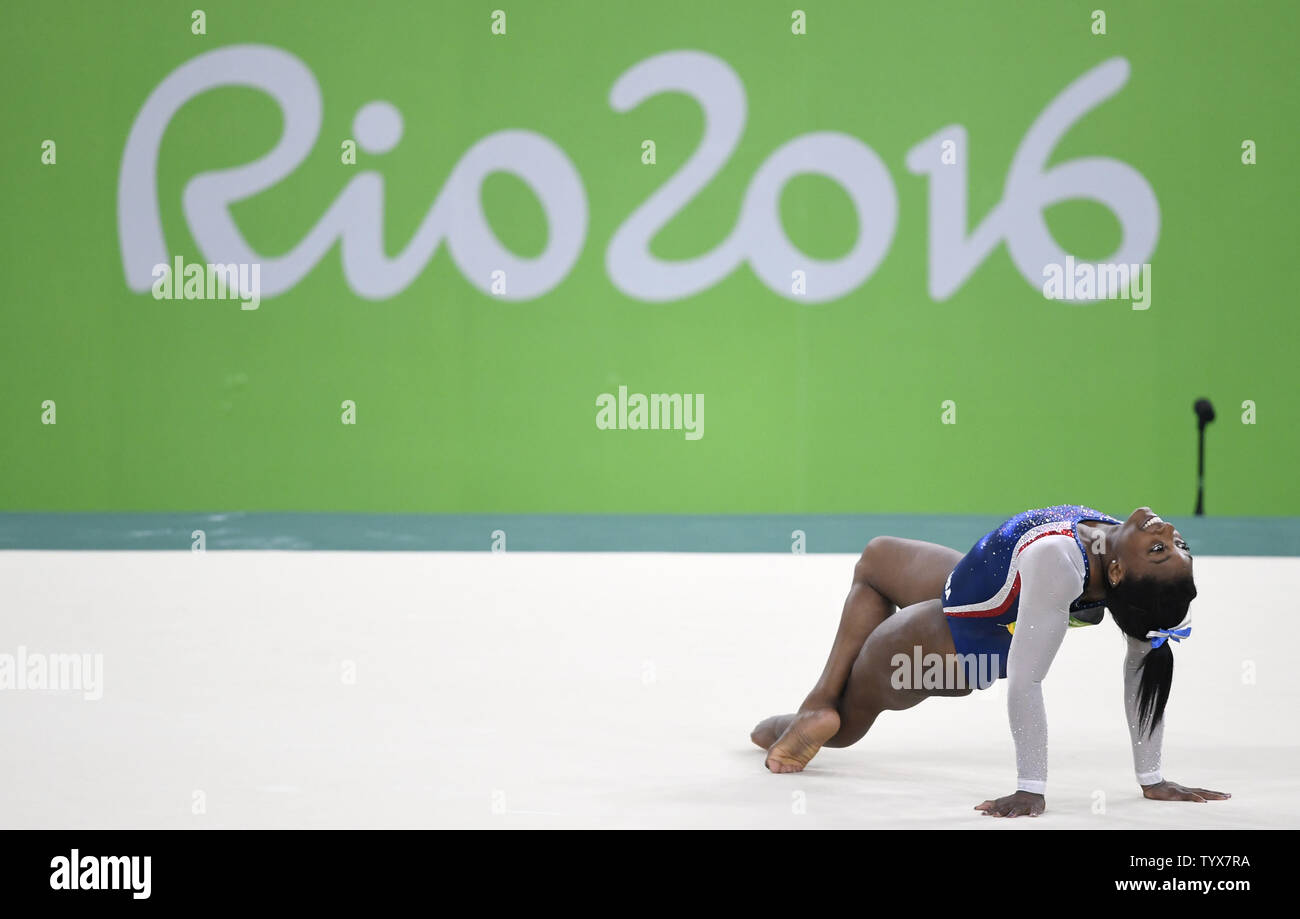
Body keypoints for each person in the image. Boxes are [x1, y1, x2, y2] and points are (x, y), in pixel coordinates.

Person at [750, 505, 1231, 816]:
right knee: (877, 559)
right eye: (1176, 544)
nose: (1167, 530)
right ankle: (816, 704)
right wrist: (1150, 780)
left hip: (959, 643)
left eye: (1159, 549)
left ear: (1121, 570)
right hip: (969, 588)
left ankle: (818, 716)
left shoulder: (1059, 561)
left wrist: (1031, 787)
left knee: (851, 715)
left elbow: (1027, 680)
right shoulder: (1111, 540)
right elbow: (1146, 650)